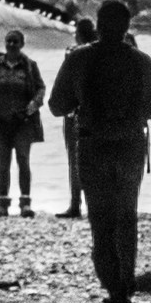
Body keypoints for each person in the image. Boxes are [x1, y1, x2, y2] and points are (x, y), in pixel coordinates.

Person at [49, 1, 151, 303]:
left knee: (101, 225)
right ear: (127, 27)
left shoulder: (79, 59)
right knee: (126, 218)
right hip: (130, 147)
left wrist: (83, 99)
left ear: (98, 25)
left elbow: (57, 106)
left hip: (93, 146)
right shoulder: (142, 62)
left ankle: (115, 290)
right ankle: (124, 289)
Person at [0, 27, 48, 215]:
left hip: (23, 123)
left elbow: (41, 88)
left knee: (23, 160)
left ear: (22, 44)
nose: (12, 45)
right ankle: (3, 204)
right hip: (1, 122)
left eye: (15, 41)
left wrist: (34, 104)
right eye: (9, 41)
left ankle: (25, 203)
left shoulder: (30, 66)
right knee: (3, 163)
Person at [55, 12, 99, 217]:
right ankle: (95, 204)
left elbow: (66, 82)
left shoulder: (73, 53)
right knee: (97, 160)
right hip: (97, 112)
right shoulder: (103, 53)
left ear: (78, 35)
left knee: (75, 160)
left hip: (75, 112)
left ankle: (75, 204)